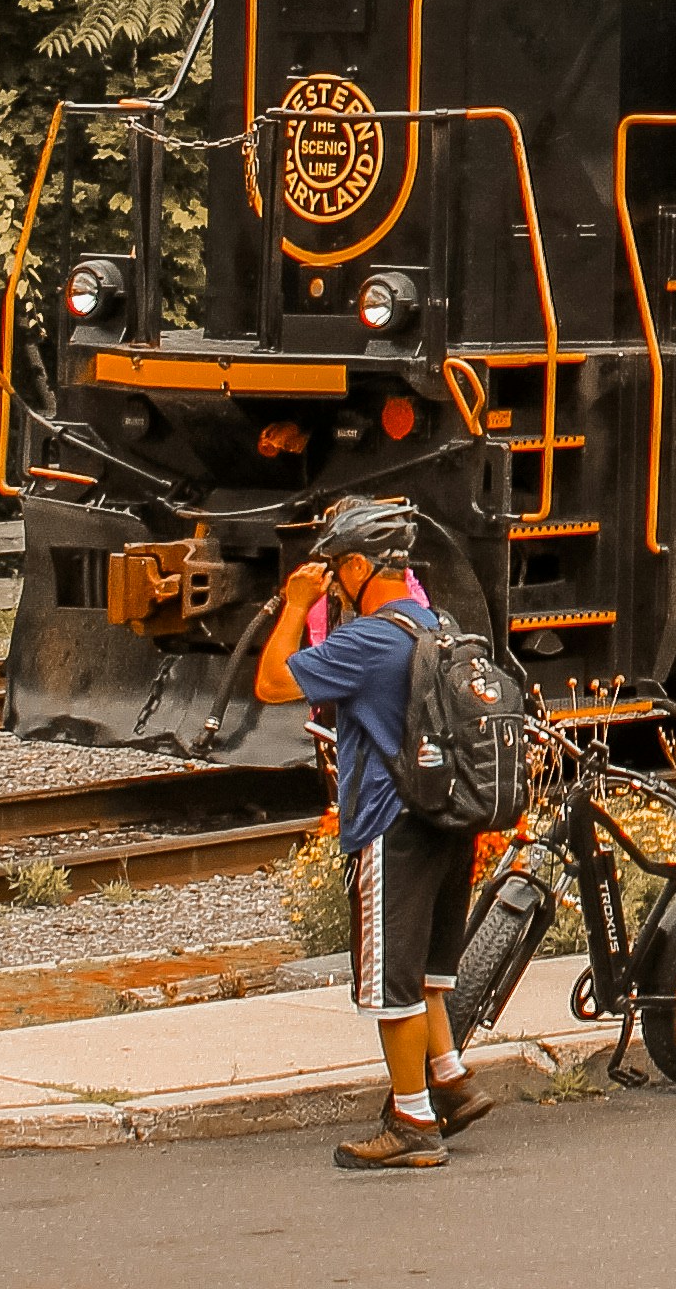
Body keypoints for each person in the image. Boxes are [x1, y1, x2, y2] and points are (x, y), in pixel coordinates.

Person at [254, 501, 493, 1169]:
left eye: (335, 570)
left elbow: (272, 681)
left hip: (393, 827)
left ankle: (413, 1124)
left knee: (392, 987)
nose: (330, 580)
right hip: (448, 823)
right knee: (425, 974)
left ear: (359, 566)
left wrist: (296, 604)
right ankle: (451, 1078)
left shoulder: (368, 642)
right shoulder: (436, 624)